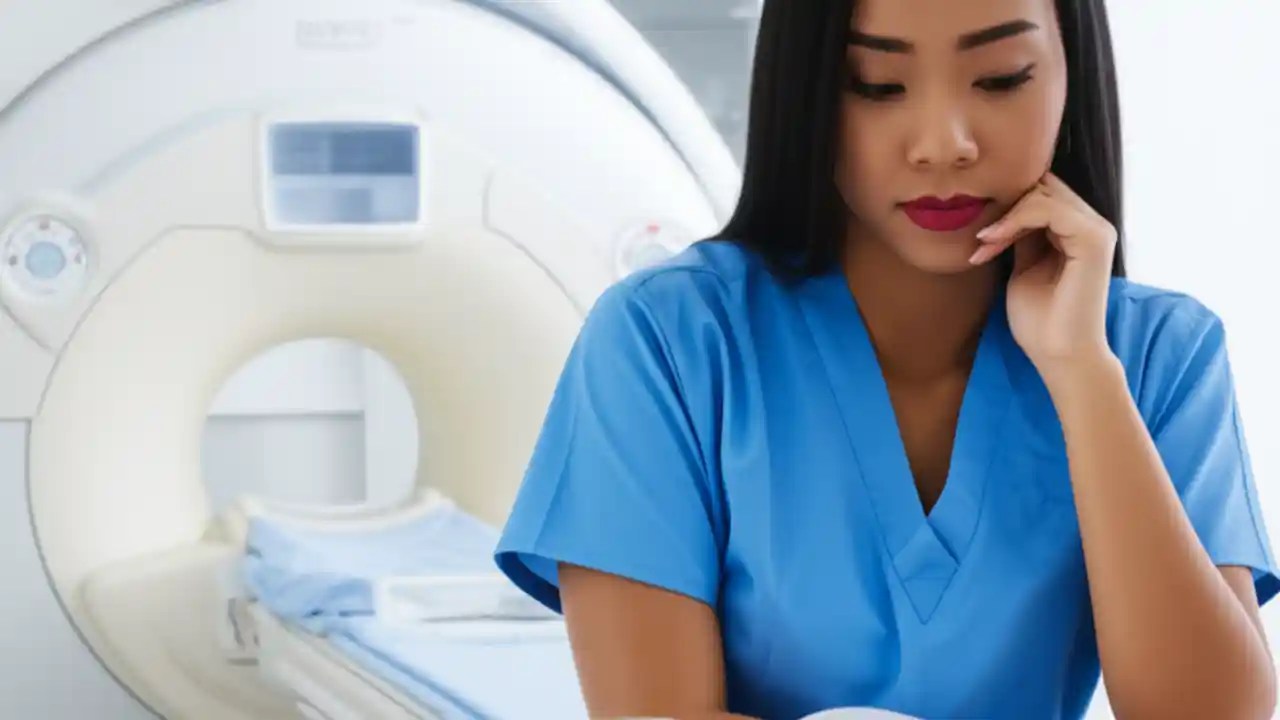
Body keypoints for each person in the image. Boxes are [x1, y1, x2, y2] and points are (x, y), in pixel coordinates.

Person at [495, 1, 1280, 718]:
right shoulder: (667, 342)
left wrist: (1082, 371)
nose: (944, 144)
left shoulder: (1158, 355)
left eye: (1002, 78)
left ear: (1071, 75)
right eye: (876, 84)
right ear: (805, 95)